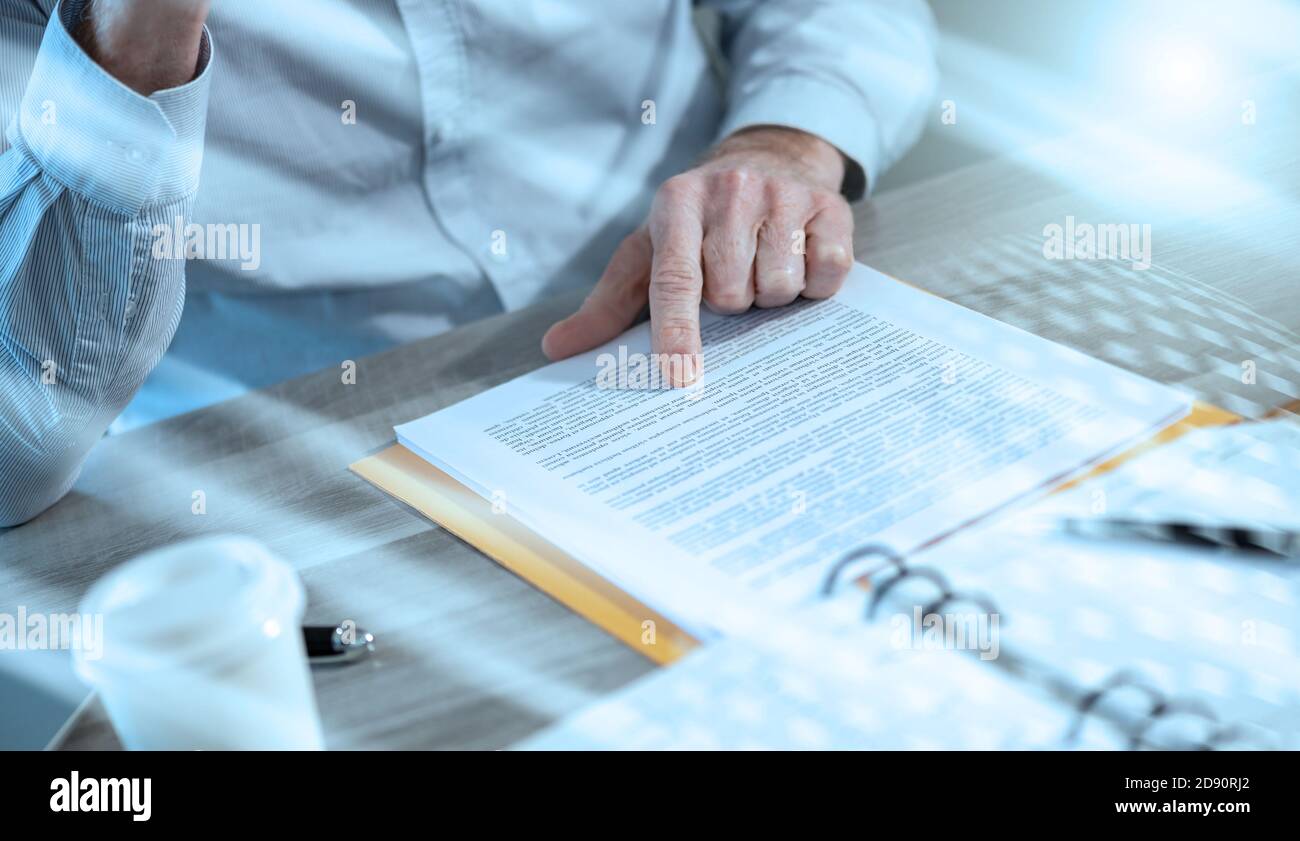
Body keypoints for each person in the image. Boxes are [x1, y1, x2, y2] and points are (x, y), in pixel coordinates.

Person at [0, 0, 936, 526]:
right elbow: (16, 455)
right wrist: (134, 41)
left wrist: (782, 145)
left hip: (713, 299)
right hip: (311, 466)